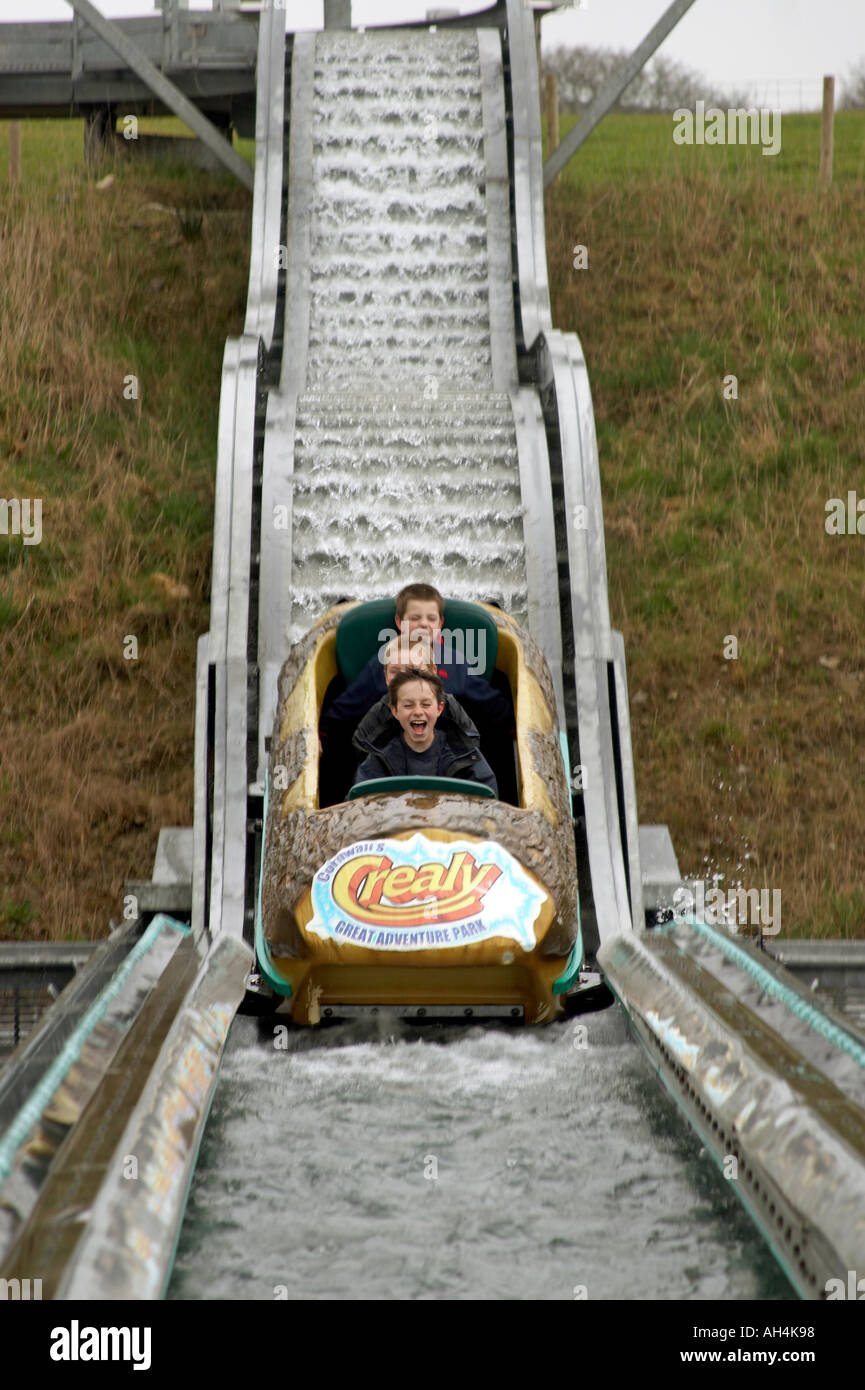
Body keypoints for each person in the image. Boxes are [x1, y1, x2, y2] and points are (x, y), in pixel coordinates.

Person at [352, 671, 498, 794]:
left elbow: (488, 802)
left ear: (439, 709)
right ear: (395, 711)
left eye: (426, 704)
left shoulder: (464, 752)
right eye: (408, 705)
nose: (418, 712)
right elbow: (359, 804)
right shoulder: (379, 756)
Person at [353, 635, 485, 765]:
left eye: (414, 671)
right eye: (395, 672)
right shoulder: (381, 711)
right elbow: (362, 747)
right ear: (386, 677)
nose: (403, 678)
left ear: (432, 672)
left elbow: (471, 742)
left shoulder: (448, 706)